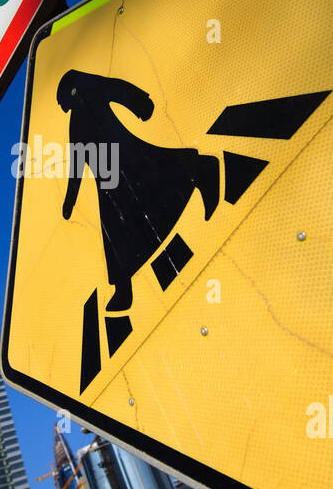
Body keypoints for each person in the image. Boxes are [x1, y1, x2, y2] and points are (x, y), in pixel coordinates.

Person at [58, 69, 219, 312]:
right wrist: (69, 202)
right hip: (109, 184)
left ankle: (202, 168)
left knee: (161, 172)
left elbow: (115, 88)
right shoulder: (76, 124)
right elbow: (76, 166)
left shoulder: (91, 92)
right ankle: (123, 289)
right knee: (115, 238)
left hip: (127, 159)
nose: (65, 106)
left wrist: (141, 104)